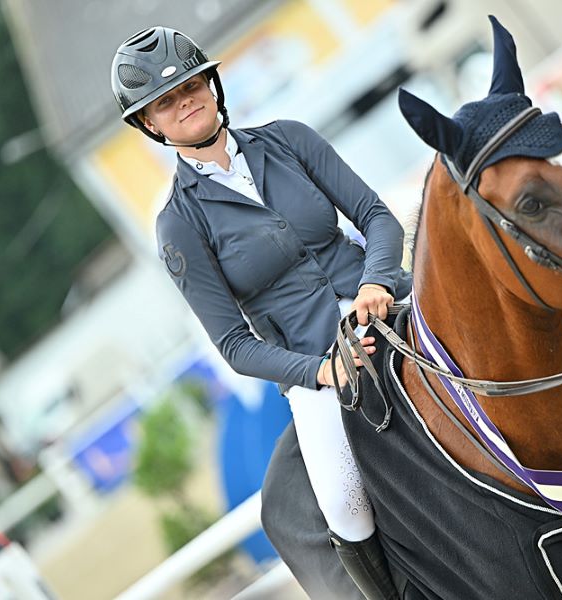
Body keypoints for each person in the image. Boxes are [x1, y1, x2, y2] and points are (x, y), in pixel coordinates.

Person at [111, 27, 411, 599]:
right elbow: (234, 346)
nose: (185, 103)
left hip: (390, 303)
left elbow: (376, 216)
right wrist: (320, 373)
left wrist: (375, 279)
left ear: (212, 85)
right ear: (151, 125)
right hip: (321, 365)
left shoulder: (290, 139)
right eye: (165, 102)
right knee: (345, 508)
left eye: (191, 85)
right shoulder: (178, 224)